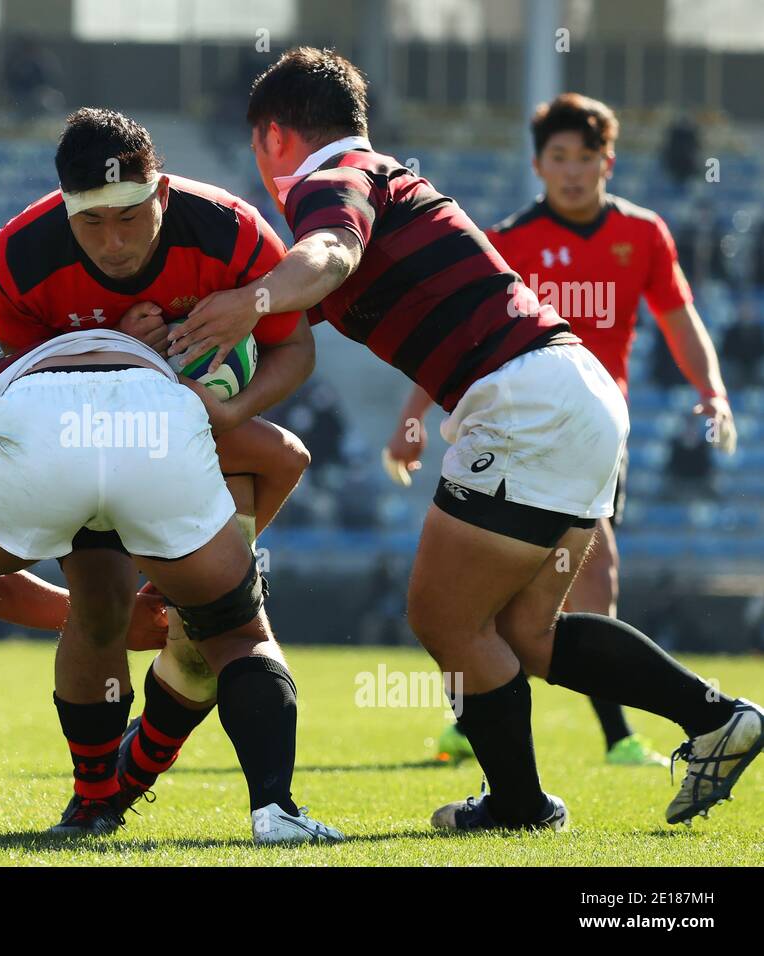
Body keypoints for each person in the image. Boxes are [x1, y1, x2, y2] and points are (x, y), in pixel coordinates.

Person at [169, 46, 762, 831]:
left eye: (258, 147)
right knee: (528, 633)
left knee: (443, 618)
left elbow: (331, 251)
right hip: (569, 394)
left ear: (274, 136)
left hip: (525, 399)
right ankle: (716, 720)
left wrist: (256, 297)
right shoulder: (381, 181)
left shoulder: (332, 181)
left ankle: (522, 805)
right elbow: (310, 307)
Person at [0, 329, 342, 845]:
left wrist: (86, 613)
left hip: (44, 433)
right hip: (154, 433)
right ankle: (276, 810)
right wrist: (200, 571)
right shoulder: (153, 387)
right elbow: (288, 455)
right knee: (233, 633)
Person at [0, 107, 317, 832]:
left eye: (131, 216)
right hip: (88, 437)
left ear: (160, 192)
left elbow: (296, 353)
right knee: (101, 610)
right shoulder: (18, 259)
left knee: (213, 637)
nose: (115, 243)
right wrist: (111, 347)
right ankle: (95, 796)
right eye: (91, 225)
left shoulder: (231, 233)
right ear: (63, 211)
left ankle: (132, 795)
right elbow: (26, 386)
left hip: (207, 437)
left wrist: (229, 411)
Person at [383, 93, 737, 768]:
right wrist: (411, 416)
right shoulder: (509, 241)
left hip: (598, 436)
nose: (573, 171)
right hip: (517, 432)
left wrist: (712, 390)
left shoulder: (645, 234)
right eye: (558, 157)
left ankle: (543, 729)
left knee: (576, 587)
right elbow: (464, 339)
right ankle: (607, 735)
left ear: (609, 162)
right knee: (554, 584)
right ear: (539, 164)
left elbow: (681, 320)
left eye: (586, 157)